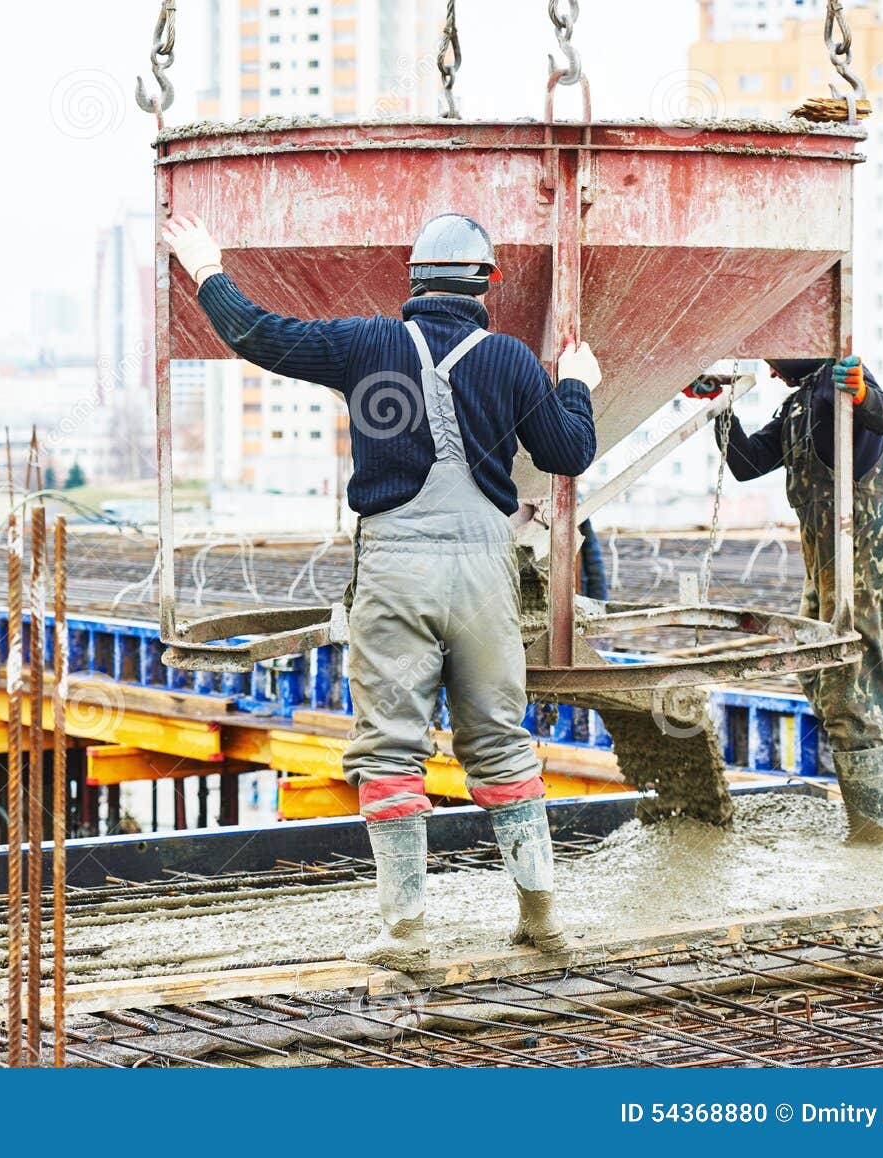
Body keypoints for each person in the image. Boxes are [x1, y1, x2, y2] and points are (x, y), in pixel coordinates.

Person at [162, 211, 599, 966]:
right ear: (488, 285)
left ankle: (405, 932)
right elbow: (570, 451)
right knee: (500, 741)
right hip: (485, 574)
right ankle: (542, 921)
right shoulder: (512, 361)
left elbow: (255, 335)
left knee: (391, 748)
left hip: (396, 568)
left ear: (413, 283)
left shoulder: (367, 344)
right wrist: (579, 386)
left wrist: (203, 263)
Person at [715, 355, 883, 844]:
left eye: (775, 363)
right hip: (823, 560)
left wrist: (861, 392)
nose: (772, 372)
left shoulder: (835, 385)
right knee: (809, 661)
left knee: (849, 673)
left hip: (860, 552)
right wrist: (722, 405)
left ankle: (875, 831)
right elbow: (746, 463)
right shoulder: (798, 406)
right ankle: (882, 784)